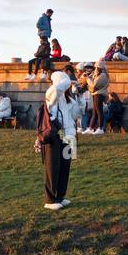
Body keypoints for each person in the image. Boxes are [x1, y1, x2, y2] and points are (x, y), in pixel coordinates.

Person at [36, 71, 78, 211]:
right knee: (52, 167)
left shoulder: (69, 100)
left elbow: (77, 114)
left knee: (65, 167)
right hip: (54, 137)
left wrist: (79, 95)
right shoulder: (51, 94)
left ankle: (60, 196)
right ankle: (50, 199)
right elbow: (57, 89)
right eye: (64, 82)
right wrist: (67, 80)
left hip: (69, 137)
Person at [83, 61, 108, 134]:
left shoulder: (103, 75)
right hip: (96, 94)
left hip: (99, 94)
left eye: (97, 67)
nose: (95, 69)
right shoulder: (99, 74)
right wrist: (90, 76)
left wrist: (88, 79)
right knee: (95, 112)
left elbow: (94, 85)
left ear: (99, 67)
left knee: (99, 112)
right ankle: (90, 128)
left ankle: (100, 128)